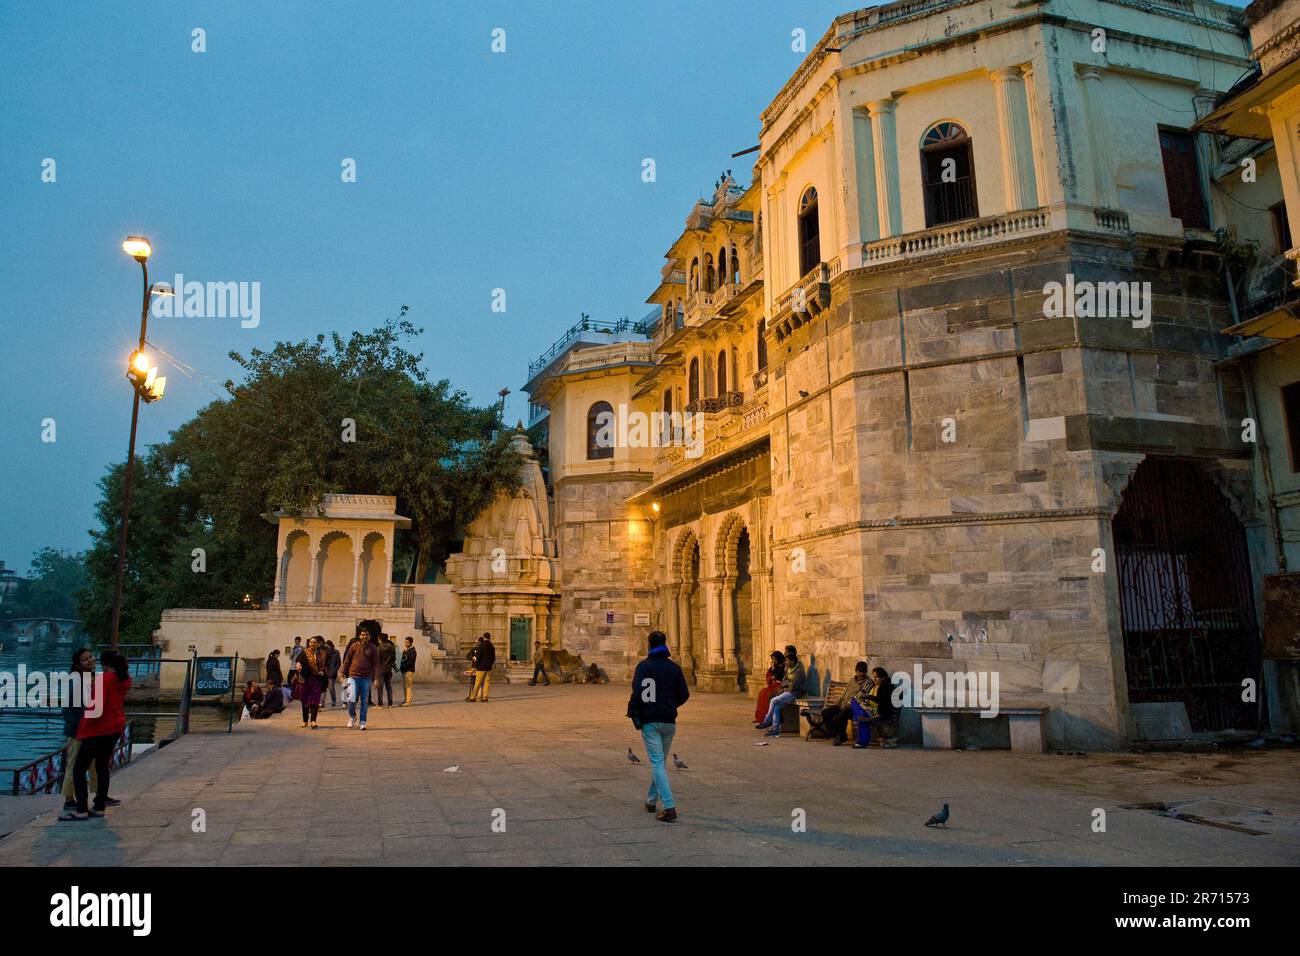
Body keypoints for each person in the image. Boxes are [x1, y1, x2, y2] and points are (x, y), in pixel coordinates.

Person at [626, 631, 690, 823]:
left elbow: (637, 692)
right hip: (669, 721)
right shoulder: (674, 668)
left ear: (649, 645)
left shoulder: (644, 667)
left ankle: (669, 806)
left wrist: (634, 711)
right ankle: (651, 800)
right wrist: (670, 705)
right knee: (659, 761)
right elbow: (684, 694)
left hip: (650, 721)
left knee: (657, 762)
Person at [69, 650, 131, 820]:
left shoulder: (104, 679)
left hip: (97, 730)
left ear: (105, 664)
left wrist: (83, 725)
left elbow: (96, 708)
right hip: (115, 727)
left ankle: (80, 809)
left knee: (79, 769)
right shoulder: (124, 679)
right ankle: (99, 806)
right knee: (102, 767)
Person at [59, 647, 116, 821]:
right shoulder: (76, 680)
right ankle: (70, 799)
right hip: (79, 731)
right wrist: (81, 727)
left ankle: (99, 796)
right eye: (85, 659)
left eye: (91, 657)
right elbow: (72, 708)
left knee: (94, 766)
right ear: (78, 664)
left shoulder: (93, 678)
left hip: (92, 730)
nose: (90, 660)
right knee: (75, 765)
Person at [756, 645, 806, 738]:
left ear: (792, 661)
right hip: (787, 692)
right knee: (776, 707)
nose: (785, 663)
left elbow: (794, 687)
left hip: (794, 694)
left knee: (773, 701)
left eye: (787, 660)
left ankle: (766, 721)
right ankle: (775, 731)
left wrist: (786, 685)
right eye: (785, 660)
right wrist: (787, 684)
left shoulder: (798, 671)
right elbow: (784, 682)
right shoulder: (788, 669)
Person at [341, 621, 381, 729]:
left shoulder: (373, 648)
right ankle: (352, 716)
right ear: (360, 636)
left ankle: (363, 721)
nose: (364, 636)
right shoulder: (354, 646)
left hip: (365, 678)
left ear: (370, 636)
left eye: (367, 634)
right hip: (353, 676)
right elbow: (347, 661)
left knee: (364, 701)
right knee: (351, 699)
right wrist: (341, 673)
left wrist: (377, 679)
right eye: (363, 634)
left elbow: (376, 664)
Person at [851, 666, 899, 749]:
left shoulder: (885, 686)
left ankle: (861, 742)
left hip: (880, 712)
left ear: (883, 677)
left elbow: (882, 701)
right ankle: (861, 741)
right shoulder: (877, 685)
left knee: (858, 709)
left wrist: (868, 697)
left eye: (877, 677)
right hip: (874, 709)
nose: (875, 679)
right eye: (874, 677)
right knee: (855, 702)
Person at [824, 662, 870, 746]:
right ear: (856, 671)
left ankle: (840, 736)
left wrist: (850, 704)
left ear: (866, 671)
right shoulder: (852, 681)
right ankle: (835, 733)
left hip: (855, 707)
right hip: (843, 704)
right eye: (860, 671)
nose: (861, 674)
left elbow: (861, 697)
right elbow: (844, 693)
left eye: (863, 671)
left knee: (841, 715)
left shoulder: (868, 683)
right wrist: (837, 704)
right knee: (826, 713)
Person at [296, 636, 326, 729]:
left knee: (315, 701)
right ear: (309, 643)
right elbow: (298, 661)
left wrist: (322, 671)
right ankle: (305, 721)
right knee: (305, 700)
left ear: (317, 644)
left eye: (314, 642)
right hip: (305, 680)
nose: (312, 644)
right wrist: (298, 665)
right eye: (311, 642)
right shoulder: (304, 652)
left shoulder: (321, 654)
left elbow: (324, 666)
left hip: (316, 680)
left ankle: (313, 721)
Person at [753, 650, 786, 724]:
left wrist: (774, 673)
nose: (774, 661)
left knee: (768, 695)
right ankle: (761, 717)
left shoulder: (782, 666)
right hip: (773, 685)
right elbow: (769, 675)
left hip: (779, 686)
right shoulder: (774, 666)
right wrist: (772, 677)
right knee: (762, 693)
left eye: (775, 659)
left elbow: (778, 676)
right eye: (773, 659)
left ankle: (769, 718)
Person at [465, 632, 495, 702]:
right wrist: (490, 664)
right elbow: (493, 658)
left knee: (477, 683)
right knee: (486, 683)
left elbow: (478, 656)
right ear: (489, 638)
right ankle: (484, 697)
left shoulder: (481, 646)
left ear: (484, 637)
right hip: (489, 667)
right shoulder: (492, 646)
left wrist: (477, 664)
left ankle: (472, 697)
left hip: (481, 667)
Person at [376, 633, 397, 708]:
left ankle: (380, 704)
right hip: (388, 669)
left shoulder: (379, 648)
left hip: (381, 670)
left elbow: (377, 660)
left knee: (380, 688)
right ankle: (390, 703)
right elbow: (394, 658)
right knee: (389, 687)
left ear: (380, 639)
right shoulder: (392, 647)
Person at [399, 637, 417, 706]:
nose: (406, 644)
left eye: (407, 642)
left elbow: (411, 662)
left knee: (408, 686)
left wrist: (405, 667)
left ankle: (408, 701)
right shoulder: (405, 651)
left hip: (409, 671)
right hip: (404, 671)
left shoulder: (412, 651)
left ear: (411, 643)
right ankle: (405, 700)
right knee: (404, 686)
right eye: (405, 642)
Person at [324, 640, 341, 707]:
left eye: (328, 646)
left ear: (331, 645)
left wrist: (335, 670)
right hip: (325, 672)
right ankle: (321, 702)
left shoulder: (336, 652)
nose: (327, 648)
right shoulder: (325, 653)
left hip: (332, 673)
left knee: (331, 687)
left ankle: (333, 700)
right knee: (324, 688)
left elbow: (339, 663)